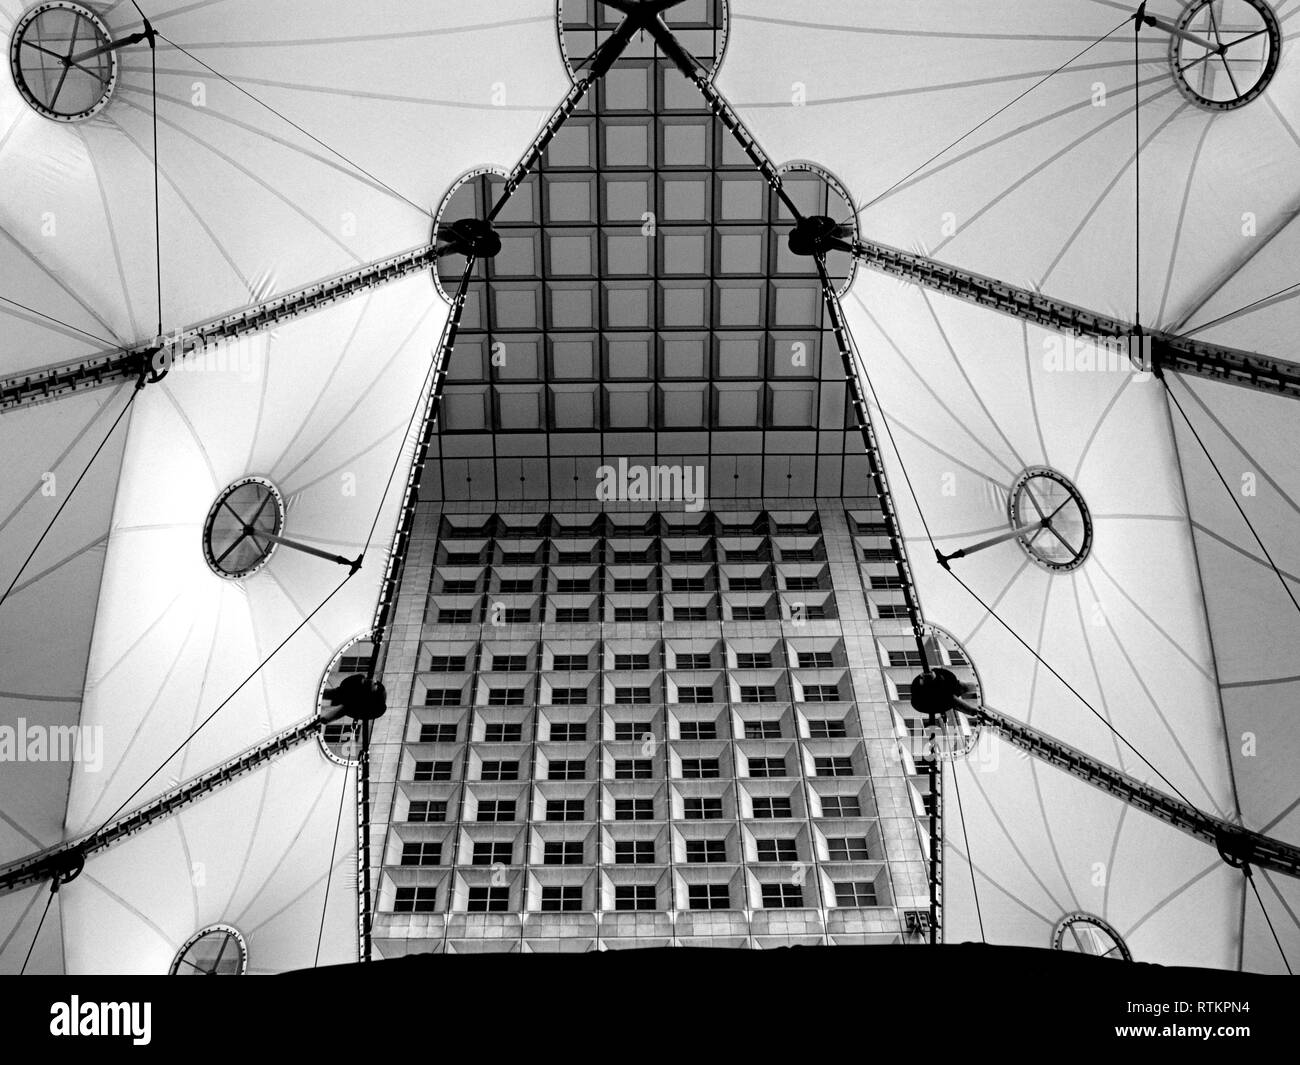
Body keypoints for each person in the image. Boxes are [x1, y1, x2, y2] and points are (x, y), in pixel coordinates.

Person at [318, 673, 387, 725]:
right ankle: (323, 720)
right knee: (334, 697)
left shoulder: (377, 705)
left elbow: (345, 710)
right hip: (353, 700)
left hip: (357, 704)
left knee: (335, 699)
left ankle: (323, 720)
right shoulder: (357, 683)